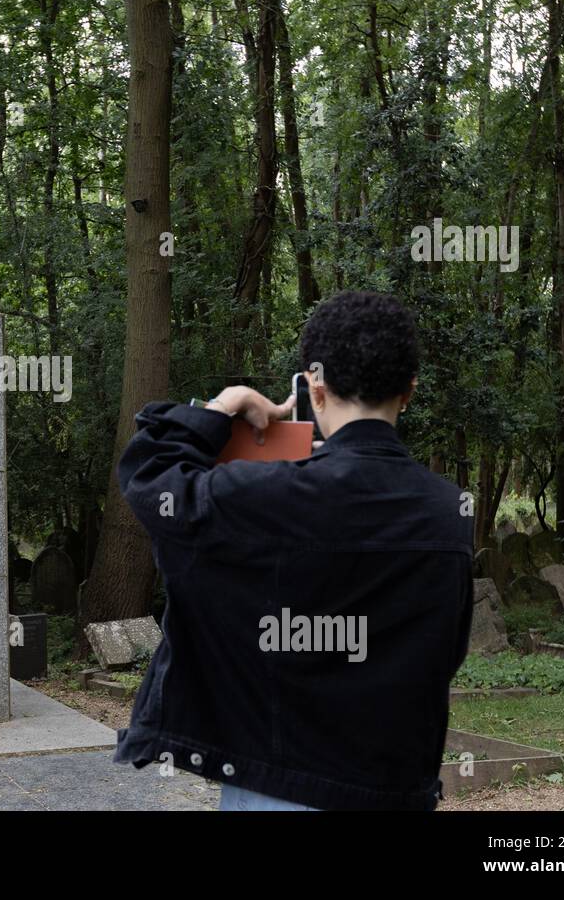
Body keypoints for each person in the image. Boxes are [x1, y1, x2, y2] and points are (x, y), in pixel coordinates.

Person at [112, 290, 474, 811]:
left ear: (314, 389)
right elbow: (445, 652)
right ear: (410, 391)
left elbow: (151, 476)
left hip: (277, 786)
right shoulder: (450, 510)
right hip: (393, 791)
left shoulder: (266, 495)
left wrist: (225, 406)